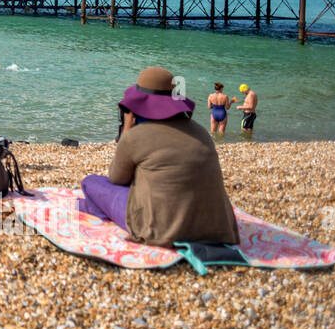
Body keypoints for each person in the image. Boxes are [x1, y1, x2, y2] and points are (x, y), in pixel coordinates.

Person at [77, 66, 239, 246]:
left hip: (162, 230)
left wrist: (127, 128)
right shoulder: (201, 132)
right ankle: (95, 208)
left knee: (90, 182)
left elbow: (117, 179)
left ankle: (94, 209)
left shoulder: (135, 136)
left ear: (138, 103)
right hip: (215, 228)